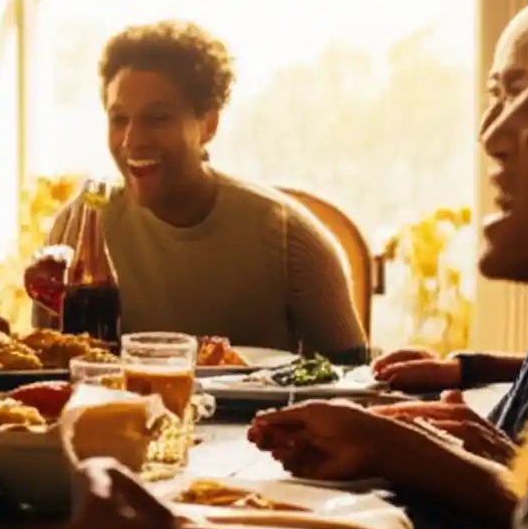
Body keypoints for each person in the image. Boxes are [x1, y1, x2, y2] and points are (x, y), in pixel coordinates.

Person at [70, 0, 528, 529]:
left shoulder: (281, 230)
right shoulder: (84, 222)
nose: (492, 133)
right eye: (498, 96)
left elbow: (350, 370)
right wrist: (417, 439)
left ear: (207, 122)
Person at [41, 21, 366, 363]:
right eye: (120, 119)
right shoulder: (83, 224)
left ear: (208, 124)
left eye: (158, 118)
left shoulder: (289, 236)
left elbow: (355, 380)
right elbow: (43, 366)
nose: (132, 140)